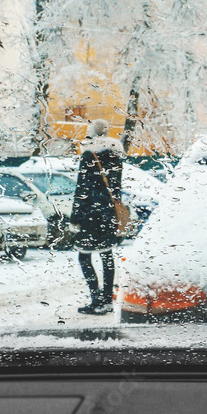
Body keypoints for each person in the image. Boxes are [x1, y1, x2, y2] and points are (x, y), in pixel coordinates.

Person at [69, 119, 124, 314]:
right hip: (108, 213)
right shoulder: (117, 155)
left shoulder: (88, 155)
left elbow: (81, 188)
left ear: (92, 132)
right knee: (107, 255)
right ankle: (107, 300)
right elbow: (116, 188)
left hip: (90, 215)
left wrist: (75, 216)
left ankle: (96, 299)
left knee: (84, 257)